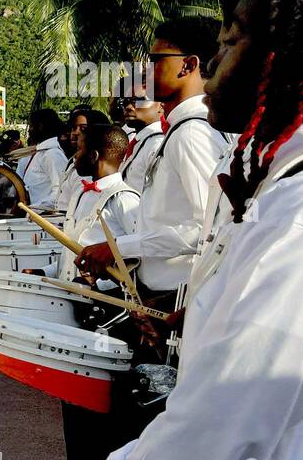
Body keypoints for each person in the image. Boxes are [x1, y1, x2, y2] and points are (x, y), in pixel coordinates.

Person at [11, 0, 303, 460]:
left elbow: (229, 409)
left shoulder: (289, 196)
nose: (213, 68)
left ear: (278, 59)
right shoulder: (271, 165)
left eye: (233, 42)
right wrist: (192, 312)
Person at [78, 18, 229, 310]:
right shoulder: (180, 129)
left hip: (178, 297)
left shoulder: (193, 133)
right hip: (163, 294)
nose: (145, 73)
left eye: (155, 60)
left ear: (188, 65)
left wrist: (119, 248)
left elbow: (210, 228)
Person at [54, 124, 142, 460]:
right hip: (75, 308)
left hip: (107, 314)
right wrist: (43, 269)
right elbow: (71, 249)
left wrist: (104, 272)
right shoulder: (79, 194)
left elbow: (139, 258)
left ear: (93, 155)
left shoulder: (126, 199)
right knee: (73, 401)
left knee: (101, 408)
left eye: (78, 150)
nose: (74, 158)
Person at [17, 108, 69, 209]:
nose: (29, 130)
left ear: (40, 127)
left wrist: (34, 208)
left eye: (31, 126)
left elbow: (60, 192)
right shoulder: (41, 153)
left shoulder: (53, 154)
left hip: (44, 219)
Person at [119, 96, 166, 191]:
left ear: (160, 105)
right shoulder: (140, 141)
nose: (128, 107)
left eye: (139, 100)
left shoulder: (158, 143)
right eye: (124, 102)